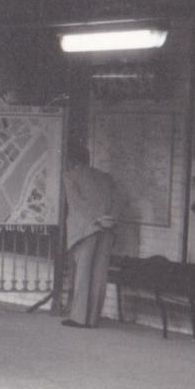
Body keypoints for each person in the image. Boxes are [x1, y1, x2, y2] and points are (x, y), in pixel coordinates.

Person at [61, 140, 118, 328]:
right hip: (107, 230)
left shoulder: (70, 177)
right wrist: (107, 219)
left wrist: (95, 219)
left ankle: (78, 318)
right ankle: (93, 319)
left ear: (70, 160)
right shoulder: (106, 178)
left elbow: (77, 204)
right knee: (99, 275)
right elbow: (117, 202)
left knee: (82, 274)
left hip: (85, 231)